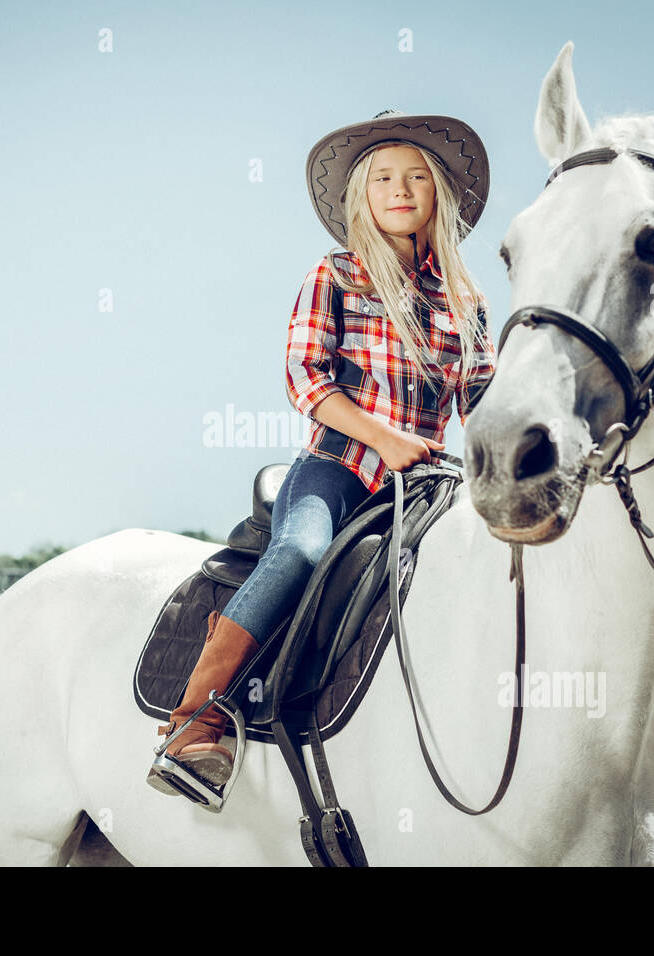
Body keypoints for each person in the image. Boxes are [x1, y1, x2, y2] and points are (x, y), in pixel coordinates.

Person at [147, 109, 498, 796]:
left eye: (418, 177)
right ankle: (194, 725)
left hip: (427, 486)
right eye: (385, 178)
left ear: (440, 194)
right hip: (339, 469)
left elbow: (481, 396)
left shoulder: (466, 300)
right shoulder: (336, 275)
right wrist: (386, 439)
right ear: (362, 195)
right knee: (301, 553)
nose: (402, 189)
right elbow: (307, 379)